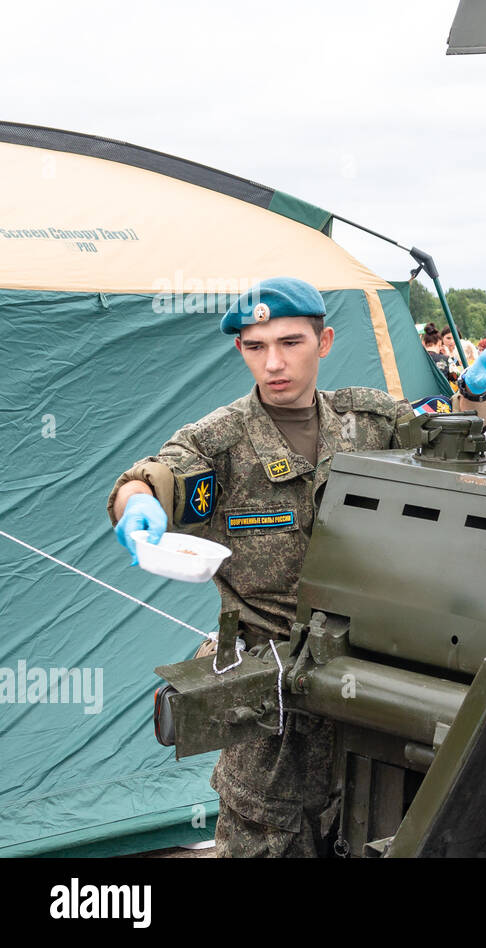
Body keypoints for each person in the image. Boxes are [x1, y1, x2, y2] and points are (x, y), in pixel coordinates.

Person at [105, 277, 415, 857]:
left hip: (375, 692)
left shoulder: (372, 423)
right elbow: (154, 477)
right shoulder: (220, 443)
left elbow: (454, 454)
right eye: (255, 347)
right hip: (272, 702)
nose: (273, 363)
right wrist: (139, 505)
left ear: (323, 342)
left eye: (290, 343)